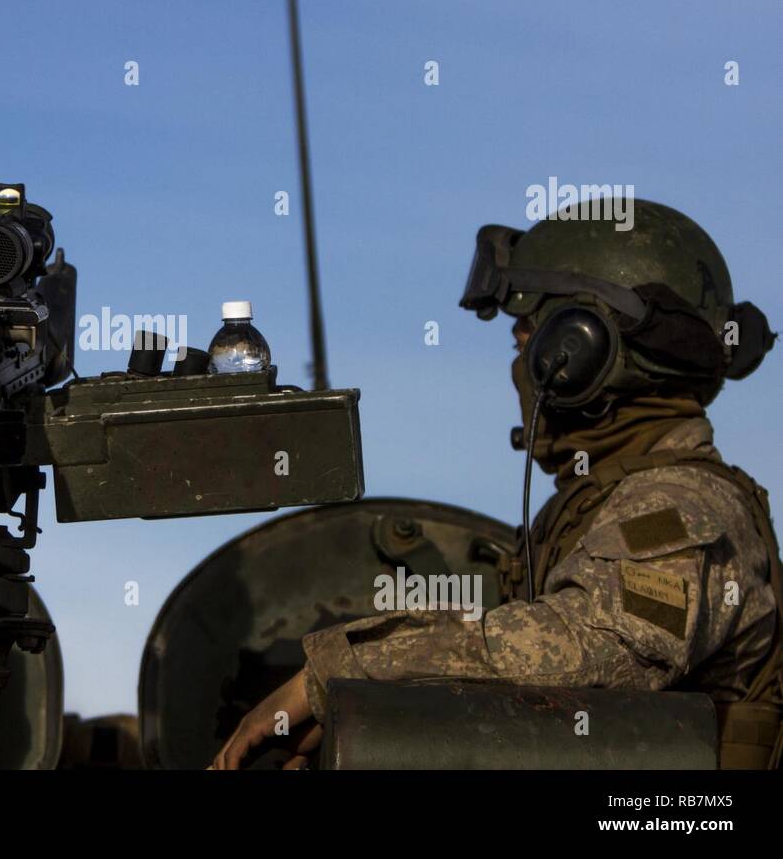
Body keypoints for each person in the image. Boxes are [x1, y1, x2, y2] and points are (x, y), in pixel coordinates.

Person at [212, 199, 781, 770]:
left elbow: (598, 650)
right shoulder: (592, 508)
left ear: (580, 352)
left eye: (524, 343)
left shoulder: (683, 504)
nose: (521, 371)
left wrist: (343, 667)